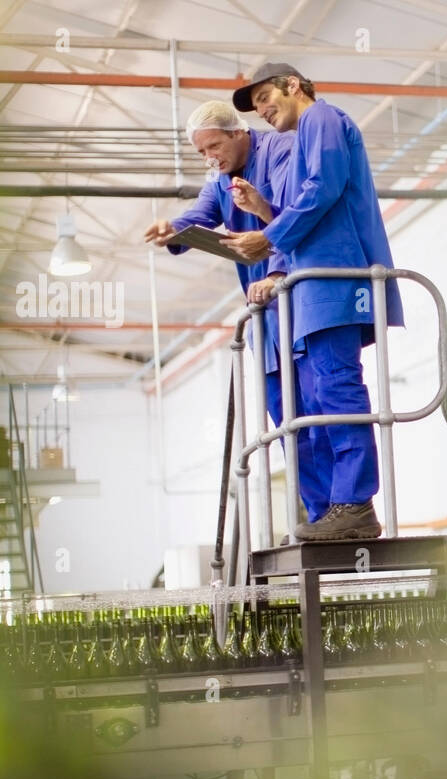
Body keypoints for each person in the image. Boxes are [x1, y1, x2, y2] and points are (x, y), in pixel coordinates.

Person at [221, 63, 404, 542]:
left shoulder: (321, 118)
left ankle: (355, 504)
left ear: (294, 86)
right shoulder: (302, 138)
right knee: (321, 398)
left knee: (339, 390)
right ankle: (337, 509)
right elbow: (306, 207)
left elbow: (323, 189)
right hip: (313, 285)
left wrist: (269, 235)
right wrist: (265, 216)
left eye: (265, 97)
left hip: (334, 276)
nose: (261, 110)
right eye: (256, 104)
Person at [143, 101, 322, 522]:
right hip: (266, 315)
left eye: (215, 146)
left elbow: (296, 217)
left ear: (239, 132)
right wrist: (174, 230)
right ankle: (319, 514)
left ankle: (345, 507)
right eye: (202, 152)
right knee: (287, 421)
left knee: (320, 407)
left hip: (300, 296)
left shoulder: (281, 152)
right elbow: (197, 218)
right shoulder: (220, 180)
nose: (210, 158)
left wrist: (277, 267)